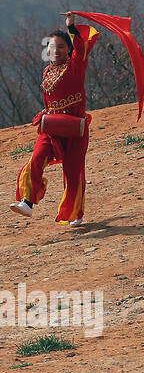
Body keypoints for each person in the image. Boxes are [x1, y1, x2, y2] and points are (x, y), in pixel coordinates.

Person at [10, 13, 96, 226]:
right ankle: (28, 202)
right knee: (36, 159)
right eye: (51, 46)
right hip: (51, 128)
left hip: (75, 129)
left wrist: (72, 27)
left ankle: (75, 212)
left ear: (69, 50)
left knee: (73, 172)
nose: (55, 51)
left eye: (60, 47)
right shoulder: (47, 72)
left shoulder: (75, 67)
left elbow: (81, 48)